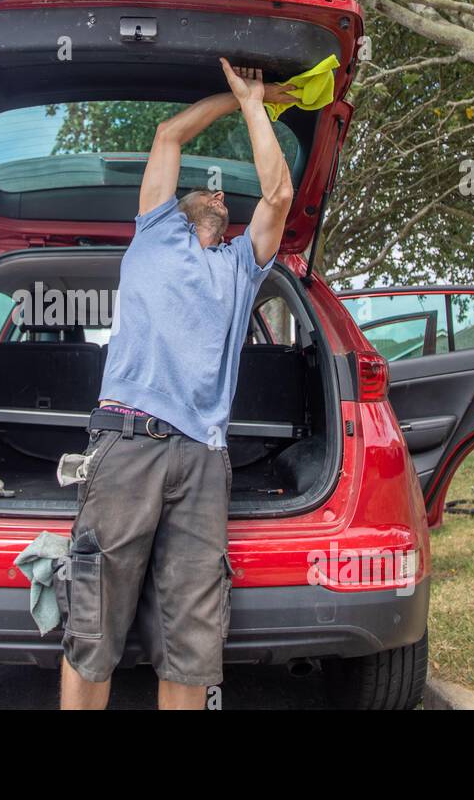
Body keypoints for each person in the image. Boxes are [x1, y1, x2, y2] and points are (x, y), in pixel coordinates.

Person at [59, 59, 297, 710]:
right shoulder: (154, 232)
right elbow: (169, 134)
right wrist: (235, 93)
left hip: (202, 459)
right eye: (207, 189)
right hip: (127, 441)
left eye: (225, 195)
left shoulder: (243, 266)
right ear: (183, 205)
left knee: (193, 638)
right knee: (93, 620)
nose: (218, 193)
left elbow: (278, 197)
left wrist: (257, 105)